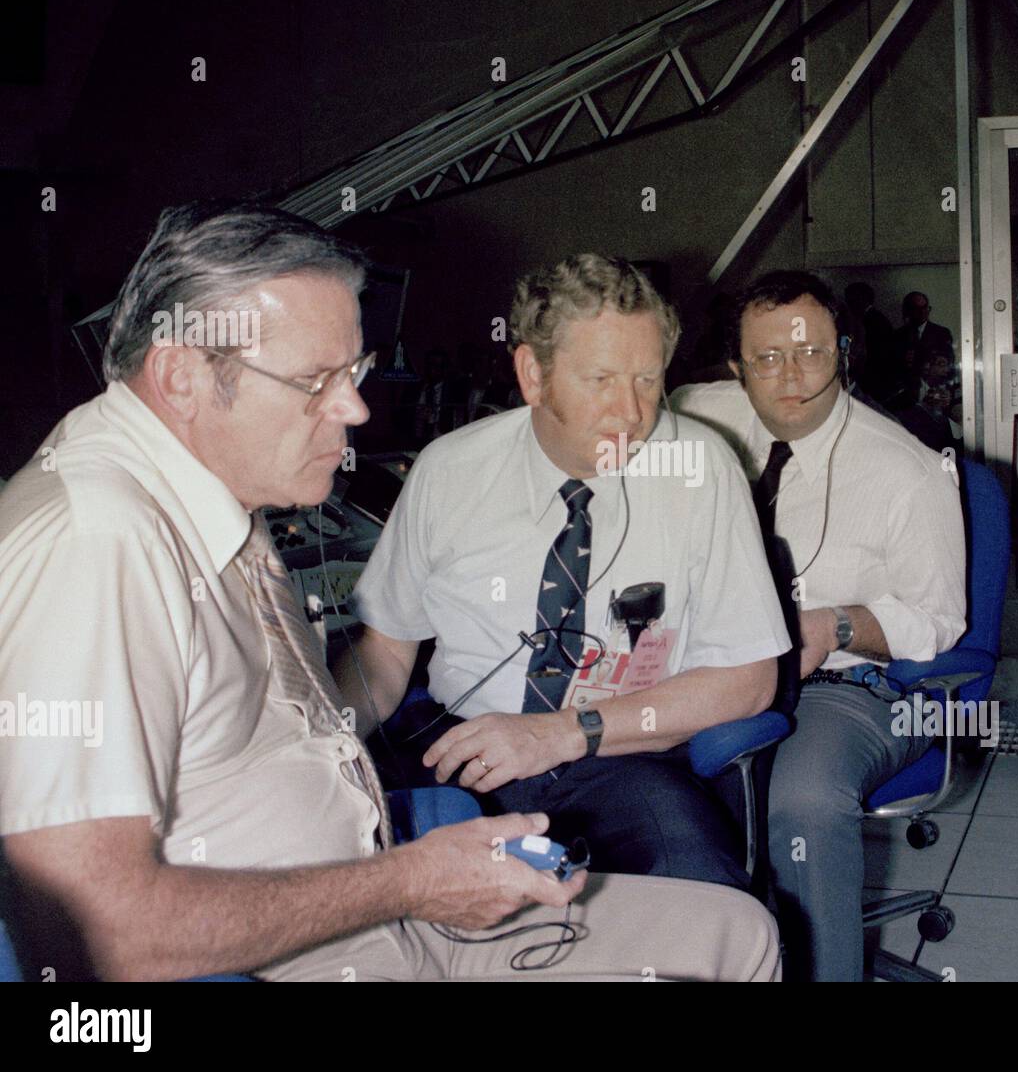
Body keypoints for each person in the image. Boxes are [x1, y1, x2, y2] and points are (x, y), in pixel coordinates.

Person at [0, 203, 781, 982]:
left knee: (736, 930)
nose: (358, 409)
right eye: (317, 381)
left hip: (385, 896)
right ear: (182, 377)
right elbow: (92, 939)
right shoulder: (95, 543)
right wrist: (415, 879)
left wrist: (415, 865)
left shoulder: (215, 494)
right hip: (332, 938)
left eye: (356, 373)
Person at [336, 253, 791, 892]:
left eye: (647, 378)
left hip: (620, 756)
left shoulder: (701, 468)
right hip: (456, 752)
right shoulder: (449, 472)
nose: (631, 412)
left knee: (696, 893)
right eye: (601, 379)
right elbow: (384, 656)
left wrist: (560, 734)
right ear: (532, 373)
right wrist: (314, 744)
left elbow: (748, 681)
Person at [672, 269, 966, 982]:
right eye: (767, 358)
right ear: (737, 368)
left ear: (844, 352)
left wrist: (833, 626)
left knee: (799, 803)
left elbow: (939, 622)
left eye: (812, 352)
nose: (792, 375)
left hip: (853, 687)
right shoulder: (696, 416)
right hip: (709, 667)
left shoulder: (909, 473)